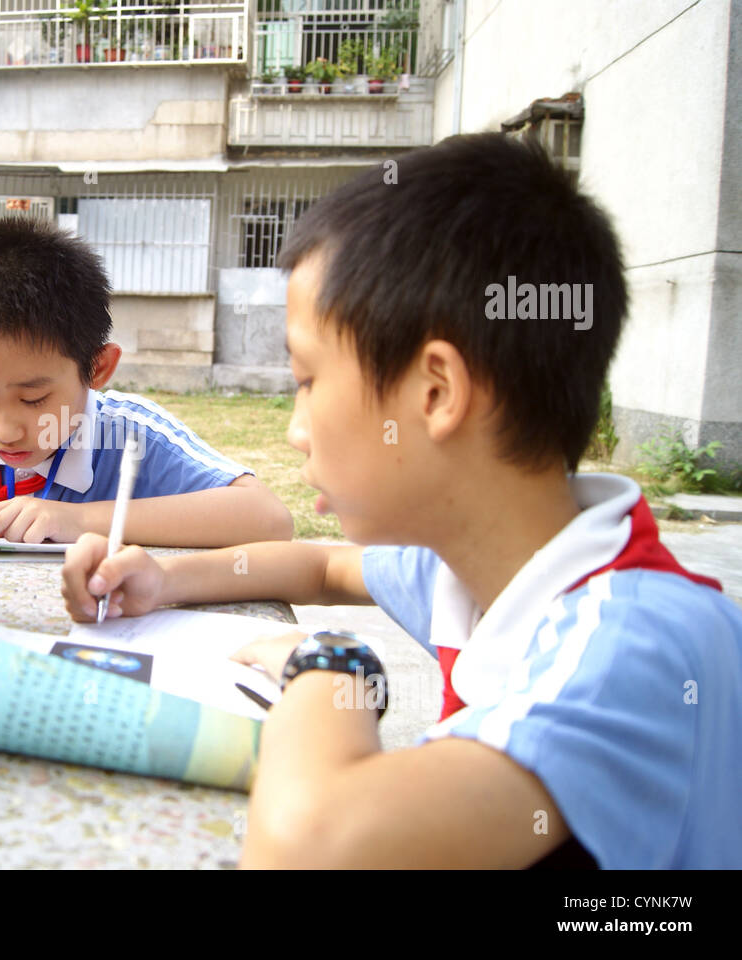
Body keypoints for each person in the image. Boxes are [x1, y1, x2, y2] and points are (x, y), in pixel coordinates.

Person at [61, 133, 742, 868]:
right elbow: (323, 570)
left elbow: (305, 849)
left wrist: (333, 664)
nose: (295, 430)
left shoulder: (628, 650)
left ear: (436, 393)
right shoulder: (483, 559)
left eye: (308, 379)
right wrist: (164, 578)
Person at [0, 216, 293, 547]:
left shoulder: (129, 436)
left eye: (34, 398)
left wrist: (81, 519)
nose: (5, 430)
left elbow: (267, 518)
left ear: (97, 368)